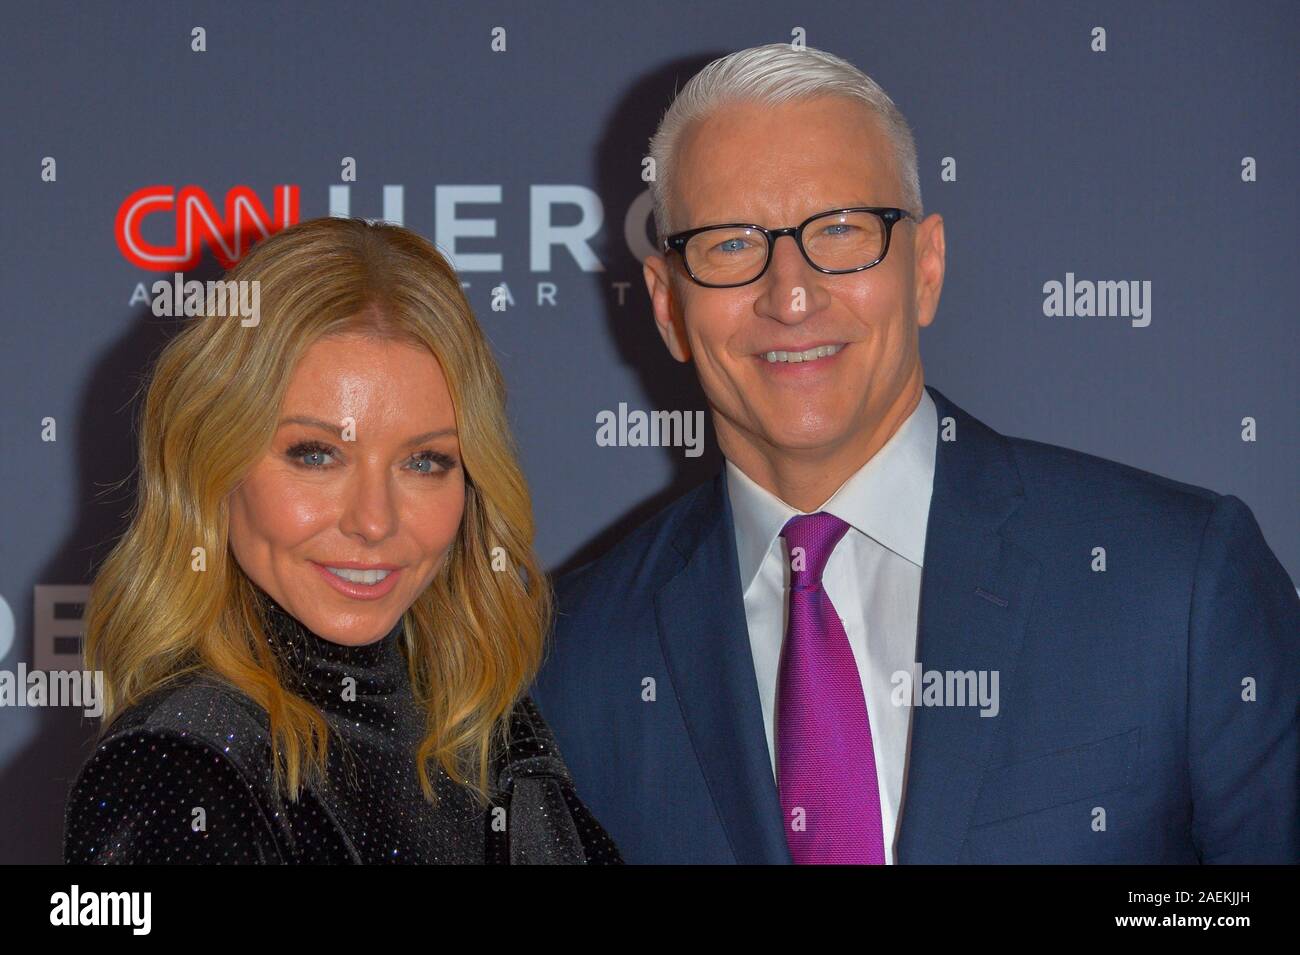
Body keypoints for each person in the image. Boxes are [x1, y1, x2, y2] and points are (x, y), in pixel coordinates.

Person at [529, 43, 1299, 863]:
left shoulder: (1176, 583)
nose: (791, 294)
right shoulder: (570, 665)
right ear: (667, 307)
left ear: (926, 267)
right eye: (729, 244)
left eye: (842, 230)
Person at [64, 217, 621, 865]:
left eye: (424, 461)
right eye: (317, 454)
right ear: (215, 463)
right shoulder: (182, 766)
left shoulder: (493, 738)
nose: (374, 520)